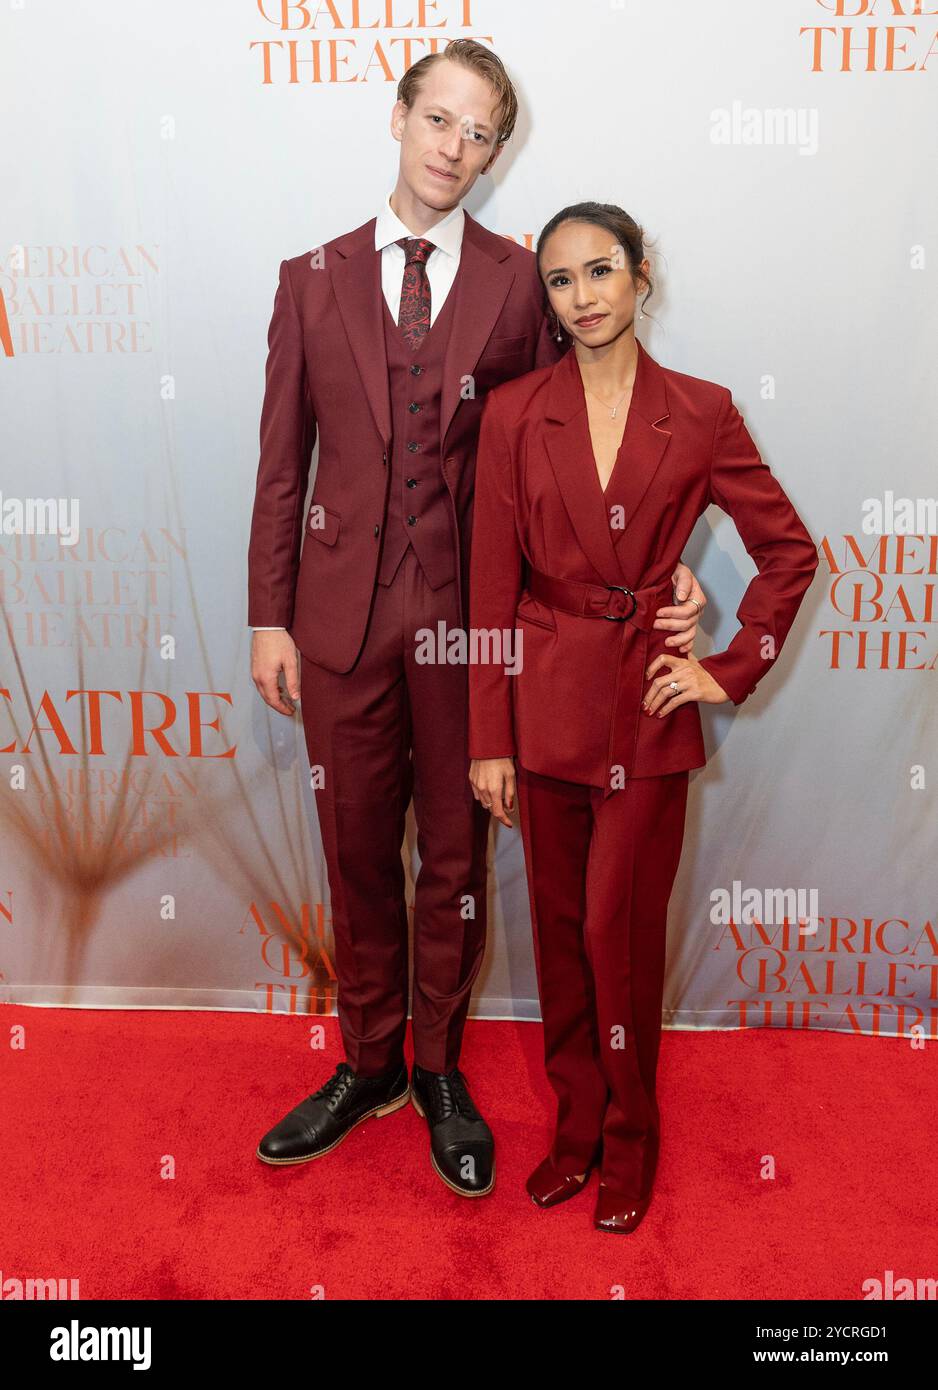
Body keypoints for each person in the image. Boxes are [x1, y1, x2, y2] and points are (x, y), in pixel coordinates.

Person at [247, 46, 707, 1198]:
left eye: (481, 131)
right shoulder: (310, 277)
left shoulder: (521, 280)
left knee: (453, 859)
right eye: (438, 119)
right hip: (338, 620)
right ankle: (367, 1066)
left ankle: (438, 1067)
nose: (455, 147)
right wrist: (268, 614)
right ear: (397, 119)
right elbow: (277, 464)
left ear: (497, 149)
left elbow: (579, 429)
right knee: (356, 852)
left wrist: (661, 579)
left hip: (473, 627)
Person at [468, 202, 819, 1230]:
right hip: (540, 708)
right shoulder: (511, 412)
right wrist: (487, 735)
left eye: (600, 272)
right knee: (561, 931)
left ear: (641, 276)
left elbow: (787, 553)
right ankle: (574, 1128)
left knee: (617, 930)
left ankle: (630, 1136)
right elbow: (489, 585)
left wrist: (728, 666)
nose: (582, 297)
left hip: (646, 707)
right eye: (562, 281)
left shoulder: (702, 411)